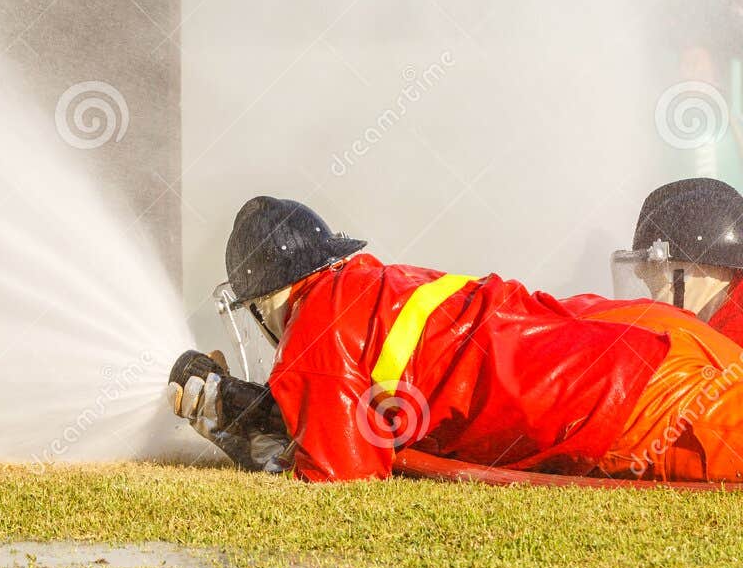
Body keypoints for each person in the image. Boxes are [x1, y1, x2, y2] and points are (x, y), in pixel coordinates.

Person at [171, 195, 743, 483]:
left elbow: (336, 479)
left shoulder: (317, 326)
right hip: (649, 346)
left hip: (634, 401)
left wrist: (237, 426)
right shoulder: (370, 285)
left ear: (266, 298)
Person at [611, 178, 743, 345]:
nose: (639, 272)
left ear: (687, 272)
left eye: (654, 264)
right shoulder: (717, 339)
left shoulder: (726, 347)